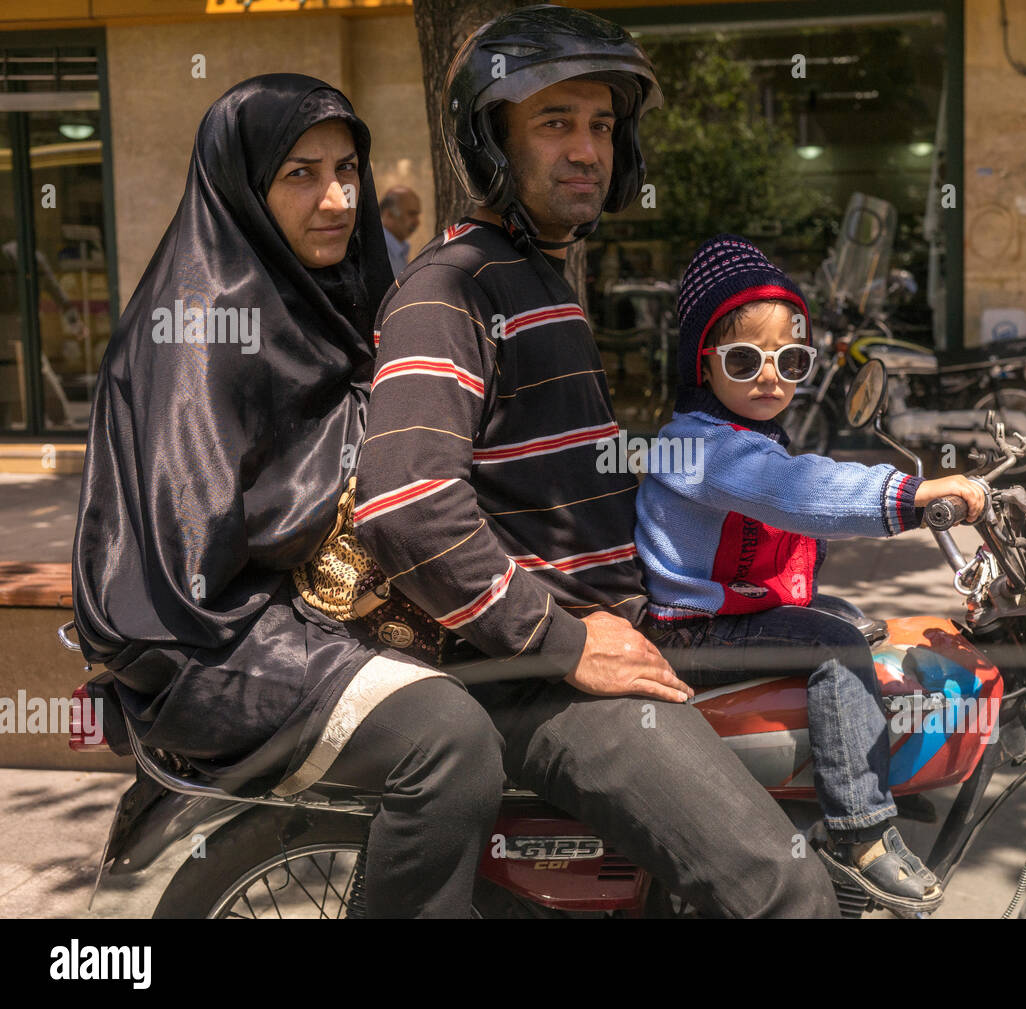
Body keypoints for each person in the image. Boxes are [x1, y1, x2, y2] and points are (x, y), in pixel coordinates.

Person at [354, 5, 839, 917]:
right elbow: (407, 503)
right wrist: (565, 638)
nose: (587, 150)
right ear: (492, 138)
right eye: (554, 123)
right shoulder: (449, 290)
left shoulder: (544, 279)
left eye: (602, 126)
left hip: (612, 635)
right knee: (782, 885)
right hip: (536, 679)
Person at [71, 74, 506, 917]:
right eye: (300, 174)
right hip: (214, 638)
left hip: (311, 612)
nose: (338, 197)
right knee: (446, 742)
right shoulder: (203, 325)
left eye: (347, 169)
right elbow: (188, 549)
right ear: (244, 185)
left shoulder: (343, 291)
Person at [635, 234, 987, 915]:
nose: (771, 377)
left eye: (790, 360)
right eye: (746, 359)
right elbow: (801, 491)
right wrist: (911, 495)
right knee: (837, 642)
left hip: (732, 613)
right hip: (690, 628)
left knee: (847, 618)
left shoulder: (742, 434)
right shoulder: (698, 444)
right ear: (702, 364)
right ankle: (861, 832)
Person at [379, 185, 421, 278]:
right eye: (411, 214)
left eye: (417, 215)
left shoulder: (400, 248)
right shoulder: (377, 250)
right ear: (389, 215)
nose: (417, 222)